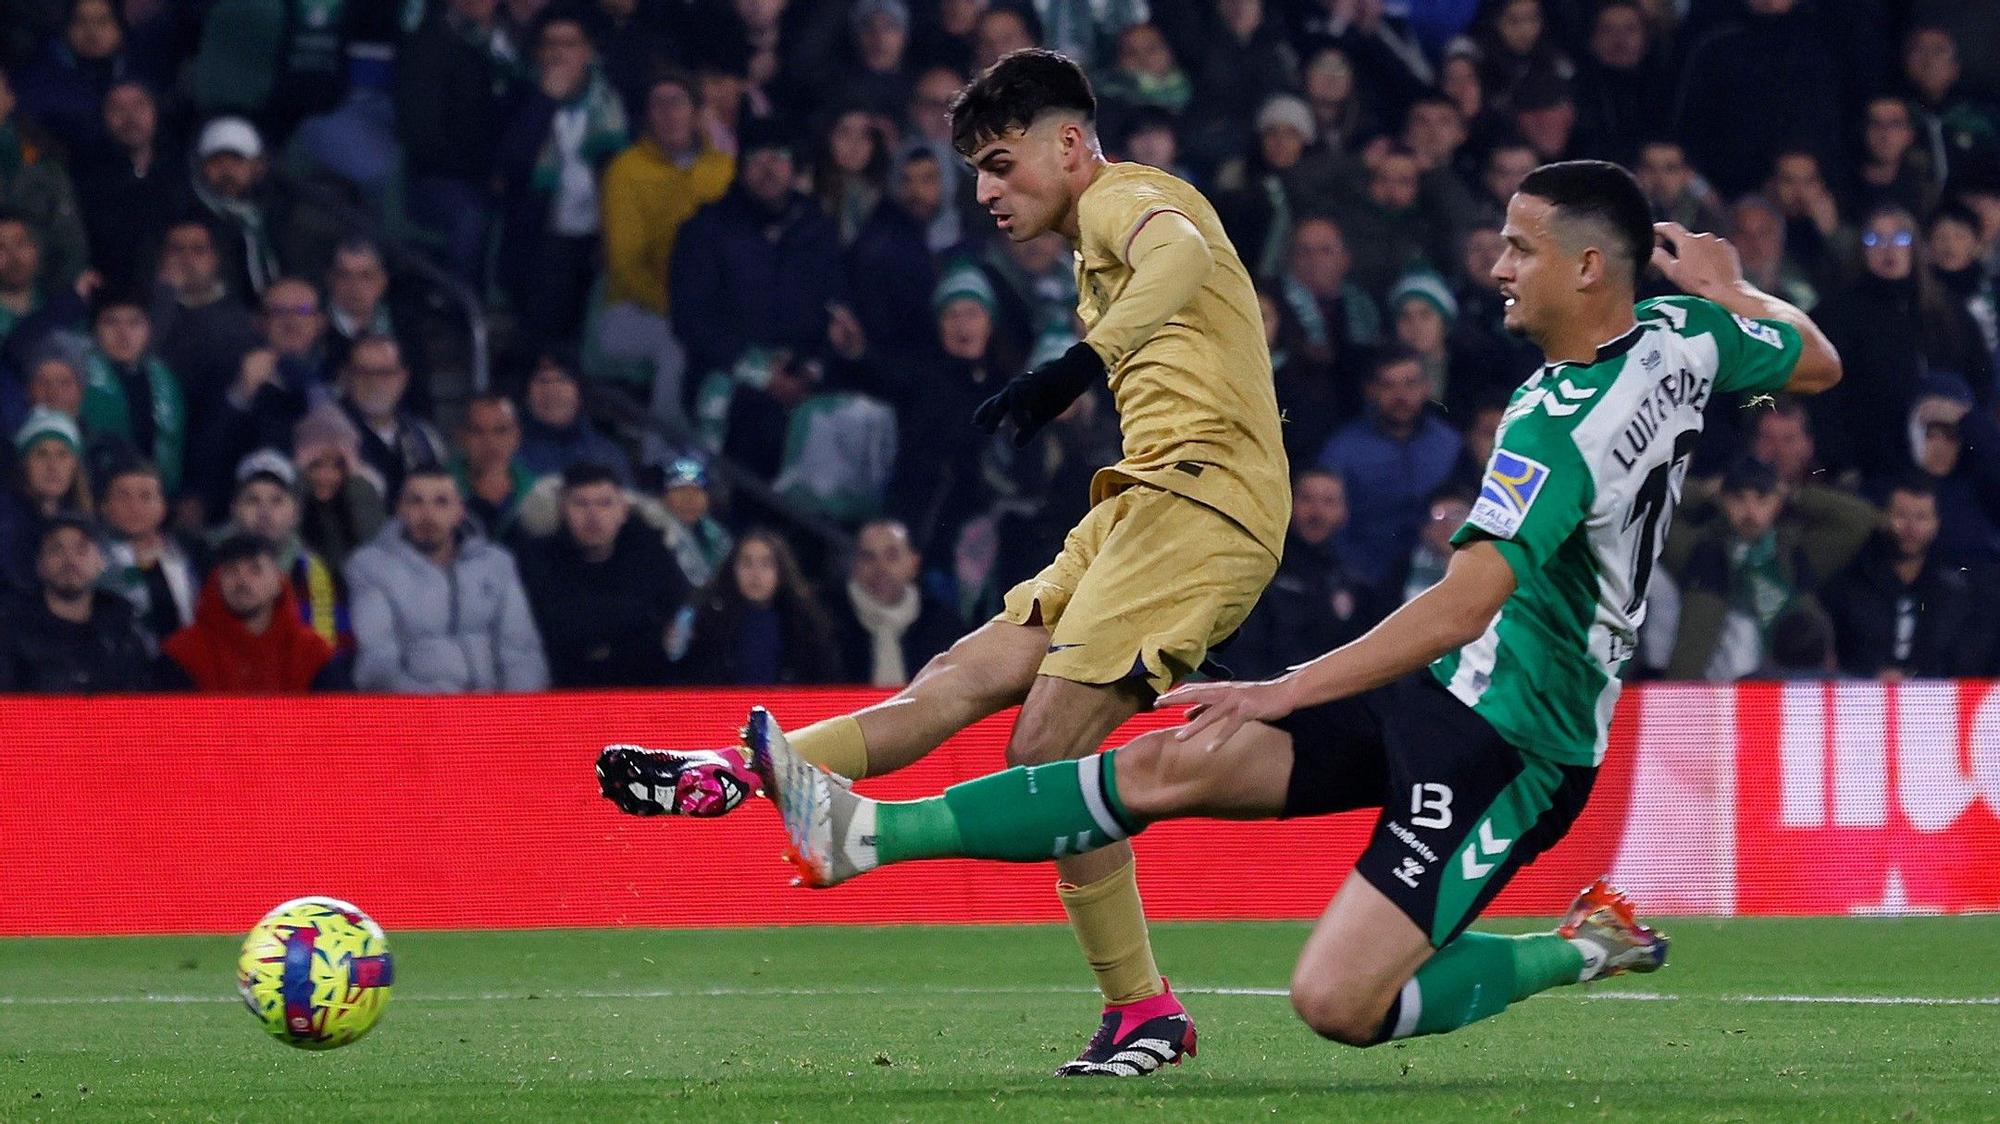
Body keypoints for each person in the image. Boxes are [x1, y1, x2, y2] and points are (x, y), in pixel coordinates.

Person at [753, 159, 1842, 1063]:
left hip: (1516, 744)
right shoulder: (1684, 333)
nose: (1495, 265)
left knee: (1338, 1002)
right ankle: (863, 833)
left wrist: (1285, 686)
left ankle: (1585, 944)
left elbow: (1463, 604)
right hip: (1442, 692)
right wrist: (1735, 286)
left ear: (1587, 265)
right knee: (1177, 761)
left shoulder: (1559, 427)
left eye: (1518, 247)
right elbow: (1816, 359)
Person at [600, 50, 1288, 1077]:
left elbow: (1179, 259)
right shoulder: (1095, 231)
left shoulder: (1127, 198)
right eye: (974, 170)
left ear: (1067, 143)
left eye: (1001, 164)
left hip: (1204, 502)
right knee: (957, 677)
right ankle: (741, 771)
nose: (984, 192)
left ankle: (1141, 1005)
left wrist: (1073, 366)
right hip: (1140, 497)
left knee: (1047, 748)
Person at [345, 467, 548, 693]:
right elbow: (378, 663)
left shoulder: (496, 563)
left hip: (496, 711)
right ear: (400, 510)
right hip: (417, 713)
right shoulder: (372, 567)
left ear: (459, 511)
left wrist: (515, 713)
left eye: (441, 502)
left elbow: (521, 650)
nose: (428, 514)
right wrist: (440, 710)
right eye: (416, 502)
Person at [516, 463, 690, 687]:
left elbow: (680, 613)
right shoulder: (537, 559)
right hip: (564, 688)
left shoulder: (651, 551)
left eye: (605, 503)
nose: (593, 516)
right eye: (581, 504)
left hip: (644, 686)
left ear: (623, 510)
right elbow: (550, 630)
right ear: (562, 509)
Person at [1316, 348, 1462, 591]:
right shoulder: (1342, 450)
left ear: (1427, 386)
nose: (1401, 396)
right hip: (1363, 583)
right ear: (1370, 390)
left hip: (1440, 579)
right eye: (1388, 385)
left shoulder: (1449, 443)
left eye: (1410, 384)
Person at [1823, 477, 1990, 680]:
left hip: (1938, 703)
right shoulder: (1848, 584)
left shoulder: (1955, 592)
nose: (1910, 528)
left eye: (1921, 518)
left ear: (1936, 524)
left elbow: (1967, 660)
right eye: (1901, 515)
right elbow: (1834, 655)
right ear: (1884, 518)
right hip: (1860, 701)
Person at [1228, 468, 1382, 680]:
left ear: (1344, 512)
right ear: (1288, 503)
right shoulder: (1261, 573)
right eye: (1307, 499)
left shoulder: (1356, 585)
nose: (1316, 512)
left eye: (1328, 502)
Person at [161, 532, 343, 693]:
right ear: (217, 582)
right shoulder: (184, 654)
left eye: (255, 570)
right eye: (231, 571)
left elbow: (340, 726)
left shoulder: (313, 653)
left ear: (278, 582)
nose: (242, 581)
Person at [0, 515, 158, 692]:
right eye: (55, 550)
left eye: (81, 550)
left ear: (101, 562)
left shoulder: (124, 630)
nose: (70, 561)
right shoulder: (11, 632)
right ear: (39, 565)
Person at [673, 527, 840, 685]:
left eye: (766, 564)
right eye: (747, 563)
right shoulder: (709, 619)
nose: (756, 574)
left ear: (781, 571)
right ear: (733, 569)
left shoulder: (806, 623)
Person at [829, 517, 961, 686]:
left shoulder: (942, 623)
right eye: (869, 557)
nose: (880, 568)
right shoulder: (826, 618)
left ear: (914, 563)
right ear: (855, 564)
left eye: (892, 556)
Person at [79, 292, 186, 496]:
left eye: (135, 323)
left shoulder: (165, 379)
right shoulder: (78, 378)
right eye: (111, 322)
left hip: (159, 498)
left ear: (148, 330)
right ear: (94, 330)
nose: (124, 334)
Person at [335, 333, 447, 506]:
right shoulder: (328, 436)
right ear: (347, 377)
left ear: (403, 377)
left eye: (385, 373)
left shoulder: (425, 438)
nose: (374, 382)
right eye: (363, 372)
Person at [97, 458, 196, 645]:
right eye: (123, 496)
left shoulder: (189, 555)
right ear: (104, 506)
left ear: (163, 507)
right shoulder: (94, 561)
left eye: (145, 496)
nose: (134, 507)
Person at [0, 406, 91, 597]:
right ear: (24, 466)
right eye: (41, 454)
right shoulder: (7, 524)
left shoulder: (88, 520)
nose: (53, 466)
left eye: (62, 455)